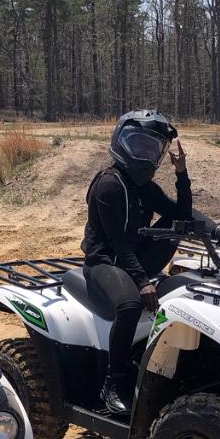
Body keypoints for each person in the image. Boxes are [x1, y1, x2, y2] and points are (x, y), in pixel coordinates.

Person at [81, 109, 190, 414]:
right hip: (106, 261)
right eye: (137, 144)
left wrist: (181, 174)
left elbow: (181, 215)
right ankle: (113, 382)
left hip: (134, 258)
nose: (144, 154)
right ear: (121, 142)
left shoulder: (145, 187)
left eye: (151, 147)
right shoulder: (109, 185)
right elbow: (117, 242)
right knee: (129, 306)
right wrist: (142, 282)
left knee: (185, 272)